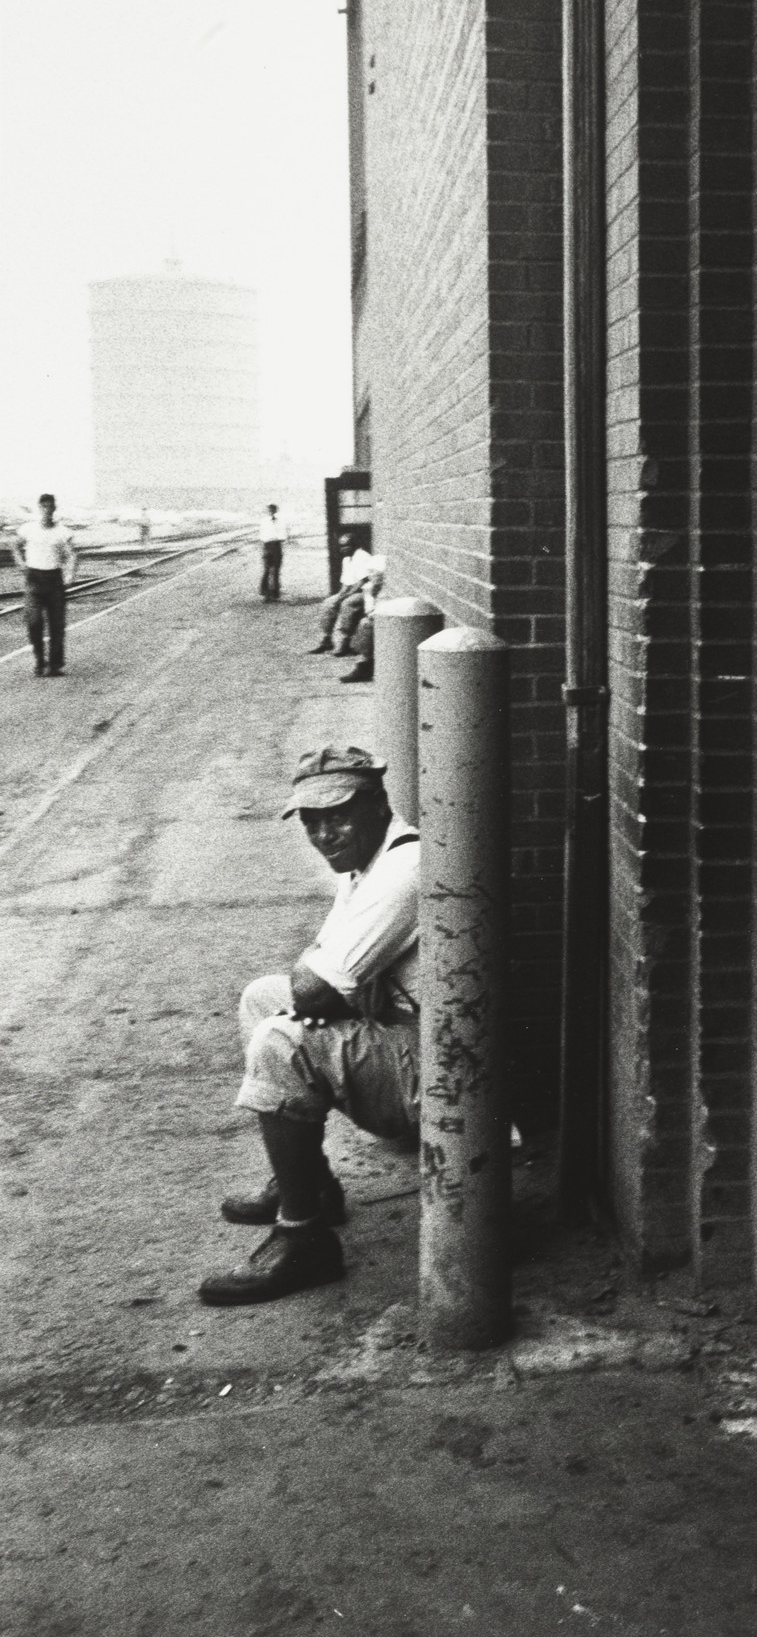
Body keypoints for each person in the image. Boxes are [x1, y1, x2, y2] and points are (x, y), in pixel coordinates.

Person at [199, 745, 420, 1306]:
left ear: (377, 803)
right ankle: (312, 1186)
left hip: (438, 1072)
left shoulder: (404, 865)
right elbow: (313, 975)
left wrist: (315, 985)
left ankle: (304, 1238)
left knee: (281, 1039)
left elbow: (317, 984)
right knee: (261, 999)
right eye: (311, 821)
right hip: (399, 1034)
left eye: (337, 815)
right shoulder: (365, 861)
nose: (324, 834)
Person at [12, 493, 77, 678]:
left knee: (56, 625)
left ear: (54, 509)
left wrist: (70, 574)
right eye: (44, 507)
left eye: (50, 507)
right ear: (39, 508)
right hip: (34, 580)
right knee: (34, 622)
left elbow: (72, 554)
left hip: (55, 580)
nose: (47, 510)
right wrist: (21, 564)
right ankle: (40, 660)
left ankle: (54, 665)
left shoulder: (63, 532)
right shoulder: (28, 529)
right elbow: (15, 545)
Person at [306, 532, 375, 654]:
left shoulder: (363, 556)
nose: (342, 549)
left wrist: (344, 597)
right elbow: (346, 584)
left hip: (365, 592)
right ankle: (326, 639)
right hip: (352, 591)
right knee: (329, 602)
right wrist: (340, 596)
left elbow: (361, 583)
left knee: (347, 603)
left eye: (346, 546)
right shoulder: (346, 559)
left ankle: (345, 642)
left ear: (354, 545)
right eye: (341, 546)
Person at [258, 503, 288, 601]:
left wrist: (280, 539)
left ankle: (275, 594)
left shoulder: (281, 521)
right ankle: (266, 592)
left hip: (277, 545)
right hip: (268, 545)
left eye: (273, 510)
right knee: (267, 569)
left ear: (276, 511)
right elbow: (262, 535)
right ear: (268, 511)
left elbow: (284, 534)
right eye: (270, 510)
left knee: (276, 570)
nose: (272, 512)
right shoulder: (264, 521)